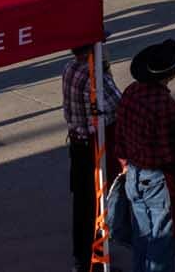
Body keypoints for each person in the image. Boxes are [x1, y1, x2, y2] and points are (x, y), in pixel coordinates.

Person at [113, 38, 175, 272]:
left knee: (142, 238)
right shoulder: (167, 107)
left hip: (134, 176)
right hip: (158, 181)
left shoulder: (130, 92)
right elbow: (173, 153)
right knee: (162, 244)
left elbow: (119, 135)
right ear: (171, 74)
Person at [63, 44, 120, 272]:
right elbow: (117, 104)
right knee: (97, 205)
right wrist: (105, 70)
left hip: (77, 144)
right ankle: (94, 261)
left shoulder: (69, 68)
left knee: (81, 204)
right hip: (93, 149)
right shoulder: (94, 75)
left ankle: (81, 256)